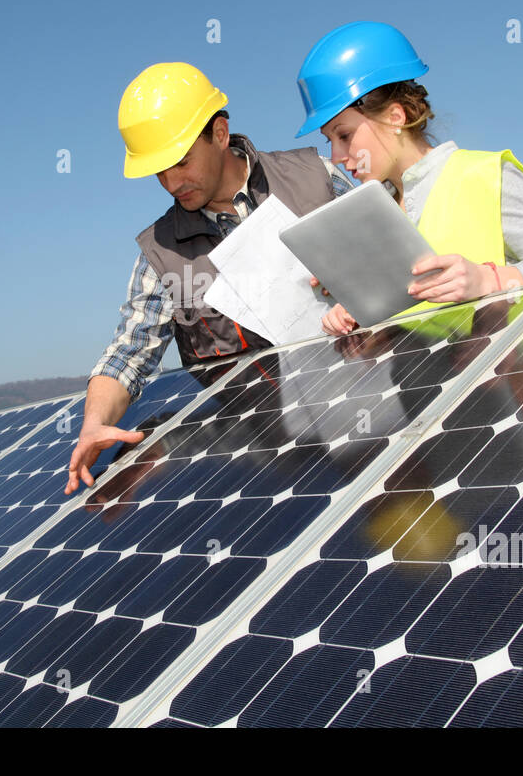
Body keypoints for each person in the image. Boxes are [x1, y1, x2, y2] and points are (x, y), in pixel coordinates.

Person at [66, 62, 353, 494]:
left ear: (219, 133)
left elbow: (395, 277)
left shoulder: (317, 181)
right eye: (158, 171)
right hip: (271, 468)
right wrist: (93, 424)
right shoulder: (161, 253)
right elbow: (129, 353)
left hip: (372, 419)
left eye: (180, 162)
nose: (170, 182)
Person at [294, 21, 523, 335]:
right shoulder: (368, 216)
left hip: (517, 377)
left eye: (344, 135)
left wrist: (490, 281)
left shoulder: (483, 176)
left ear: (394, 117)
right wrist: (358, 314)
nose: (337, 157)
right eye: (329, 140)